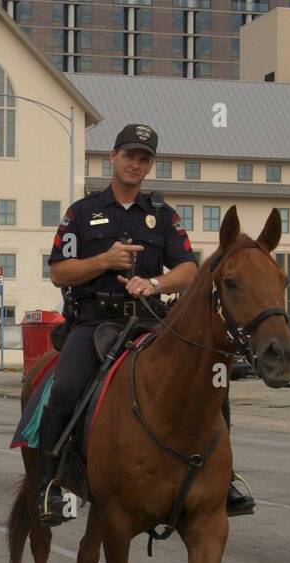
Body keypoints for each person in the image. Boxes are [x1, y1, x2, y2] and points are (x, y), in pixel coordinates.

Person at [38, 123, 255, 526]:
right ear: (113, 159)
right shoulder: (82, 213)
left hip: (150, 323)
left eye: (144, 158)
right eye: (129, 155)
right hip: (94, 323)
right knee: (66, 386)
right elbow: (60, 273)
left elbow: (190, 271)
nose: (135, 164)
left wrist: (152, 282)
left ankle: (224, 479)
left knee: (212, 379)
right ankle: (51, 484)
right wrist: (105, 261)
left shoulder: (162, 216)